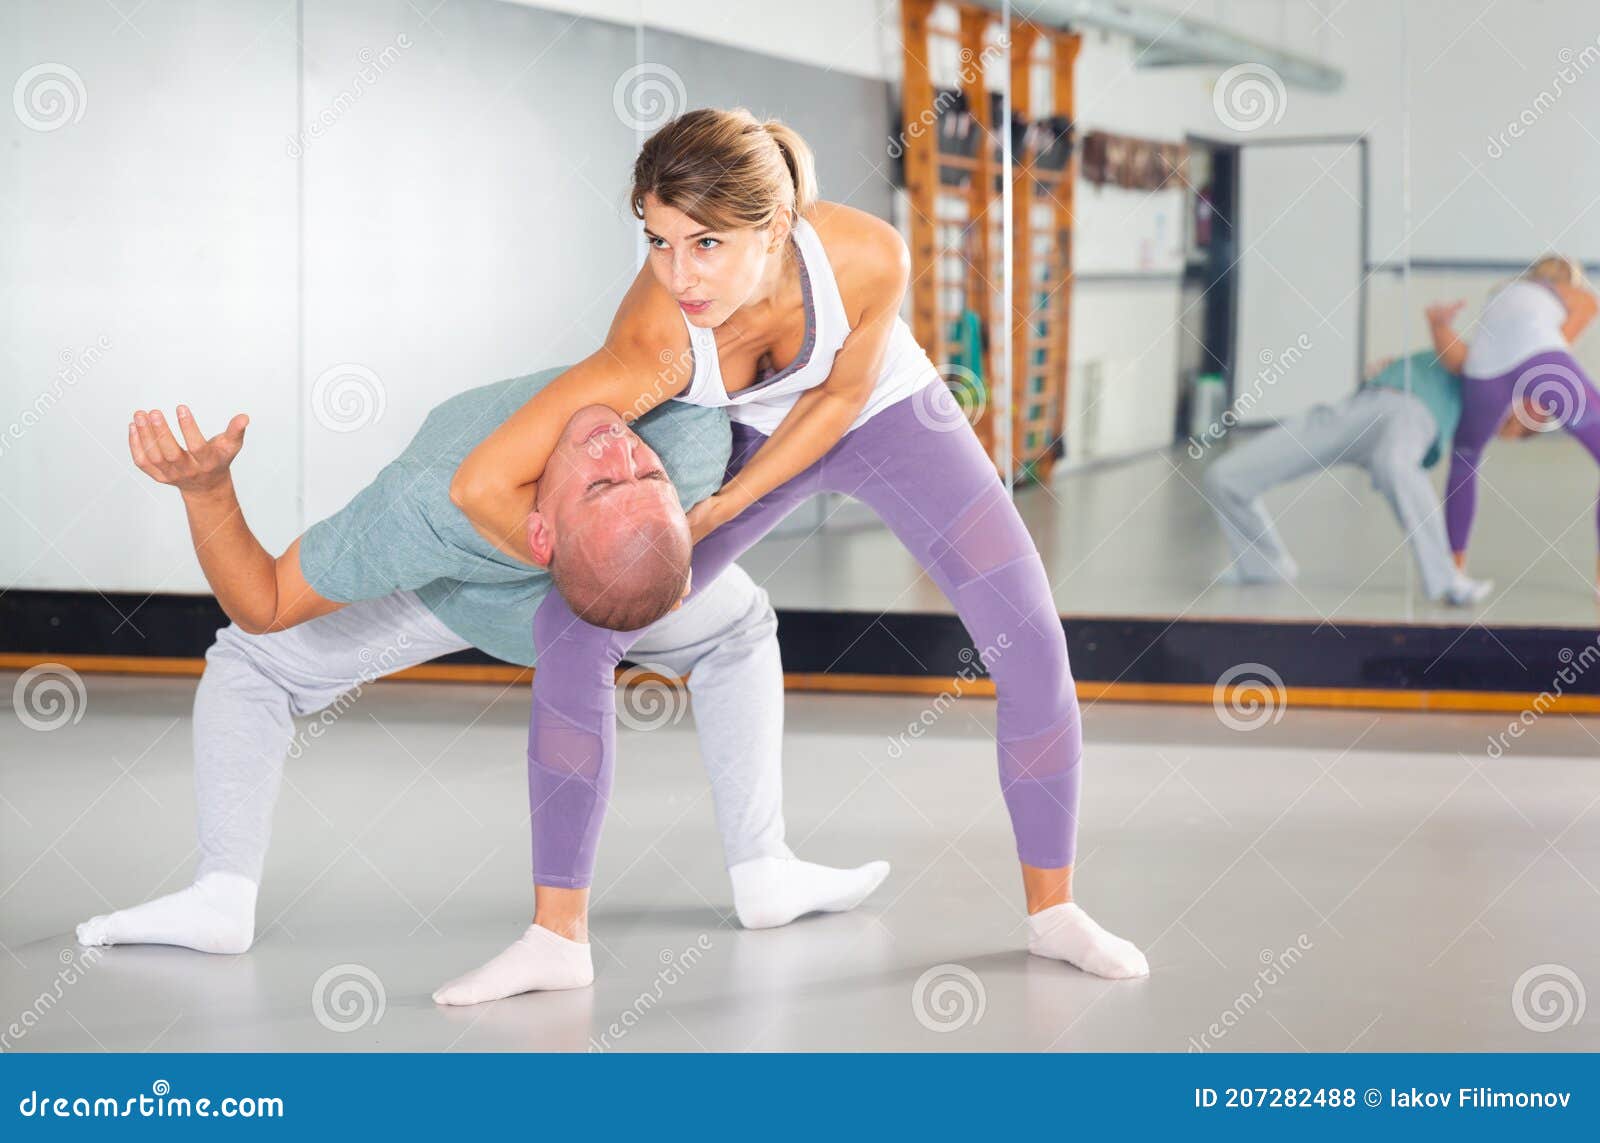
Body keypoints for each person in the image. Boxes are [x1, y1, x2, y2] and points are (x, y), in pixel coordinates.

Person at [434, 108, 1148, 1007]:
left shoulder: (869, 254)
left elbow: (842, 397)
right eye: (658, 240)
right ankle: (556, 936)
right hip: (742, 429)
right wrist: (572, 567)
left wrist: (728, 503)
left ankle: (1056, 914)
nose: (678, 273)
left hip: (885, 407)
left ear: (774, 230)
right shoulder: (654, 337)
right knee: (571, 631)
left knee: (1031, 634)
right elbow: (477, 485)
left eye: (706, 244)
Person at [75, 367, 888, 963]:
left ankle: (764, 866)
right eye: (631, 475)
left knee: (249, 659)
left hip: (500, 590)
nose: (623, 450)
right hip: (526, 589)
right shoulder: (674, 433)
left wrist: (208, 493)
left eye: (622, 481)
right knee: (741, 626)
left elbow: (264, 602)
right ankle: (764, 867)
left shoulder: (436, 506)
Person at [1202, 300, 1503, 605]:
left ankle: (1448, 579)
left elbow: (1463, 367)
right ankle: (1263, 564)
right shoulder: (1449, 356)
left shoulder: (1485, 375)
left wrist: (1438, 324)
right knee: (1224, 477)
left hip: (1409, 414)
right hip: (1357, 408)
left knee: (1395, 465)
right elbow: (1451, 355)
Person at [1445, 255, 1600, 594]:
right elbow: (1570, 330)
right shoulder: (1570, 292)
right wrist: (1540, 386)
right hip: (1543, 359)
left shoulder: (1501, 291)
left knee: (1465, 455)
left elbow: (1484, 349)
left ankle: (1452, 570)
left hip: (1483, 371)